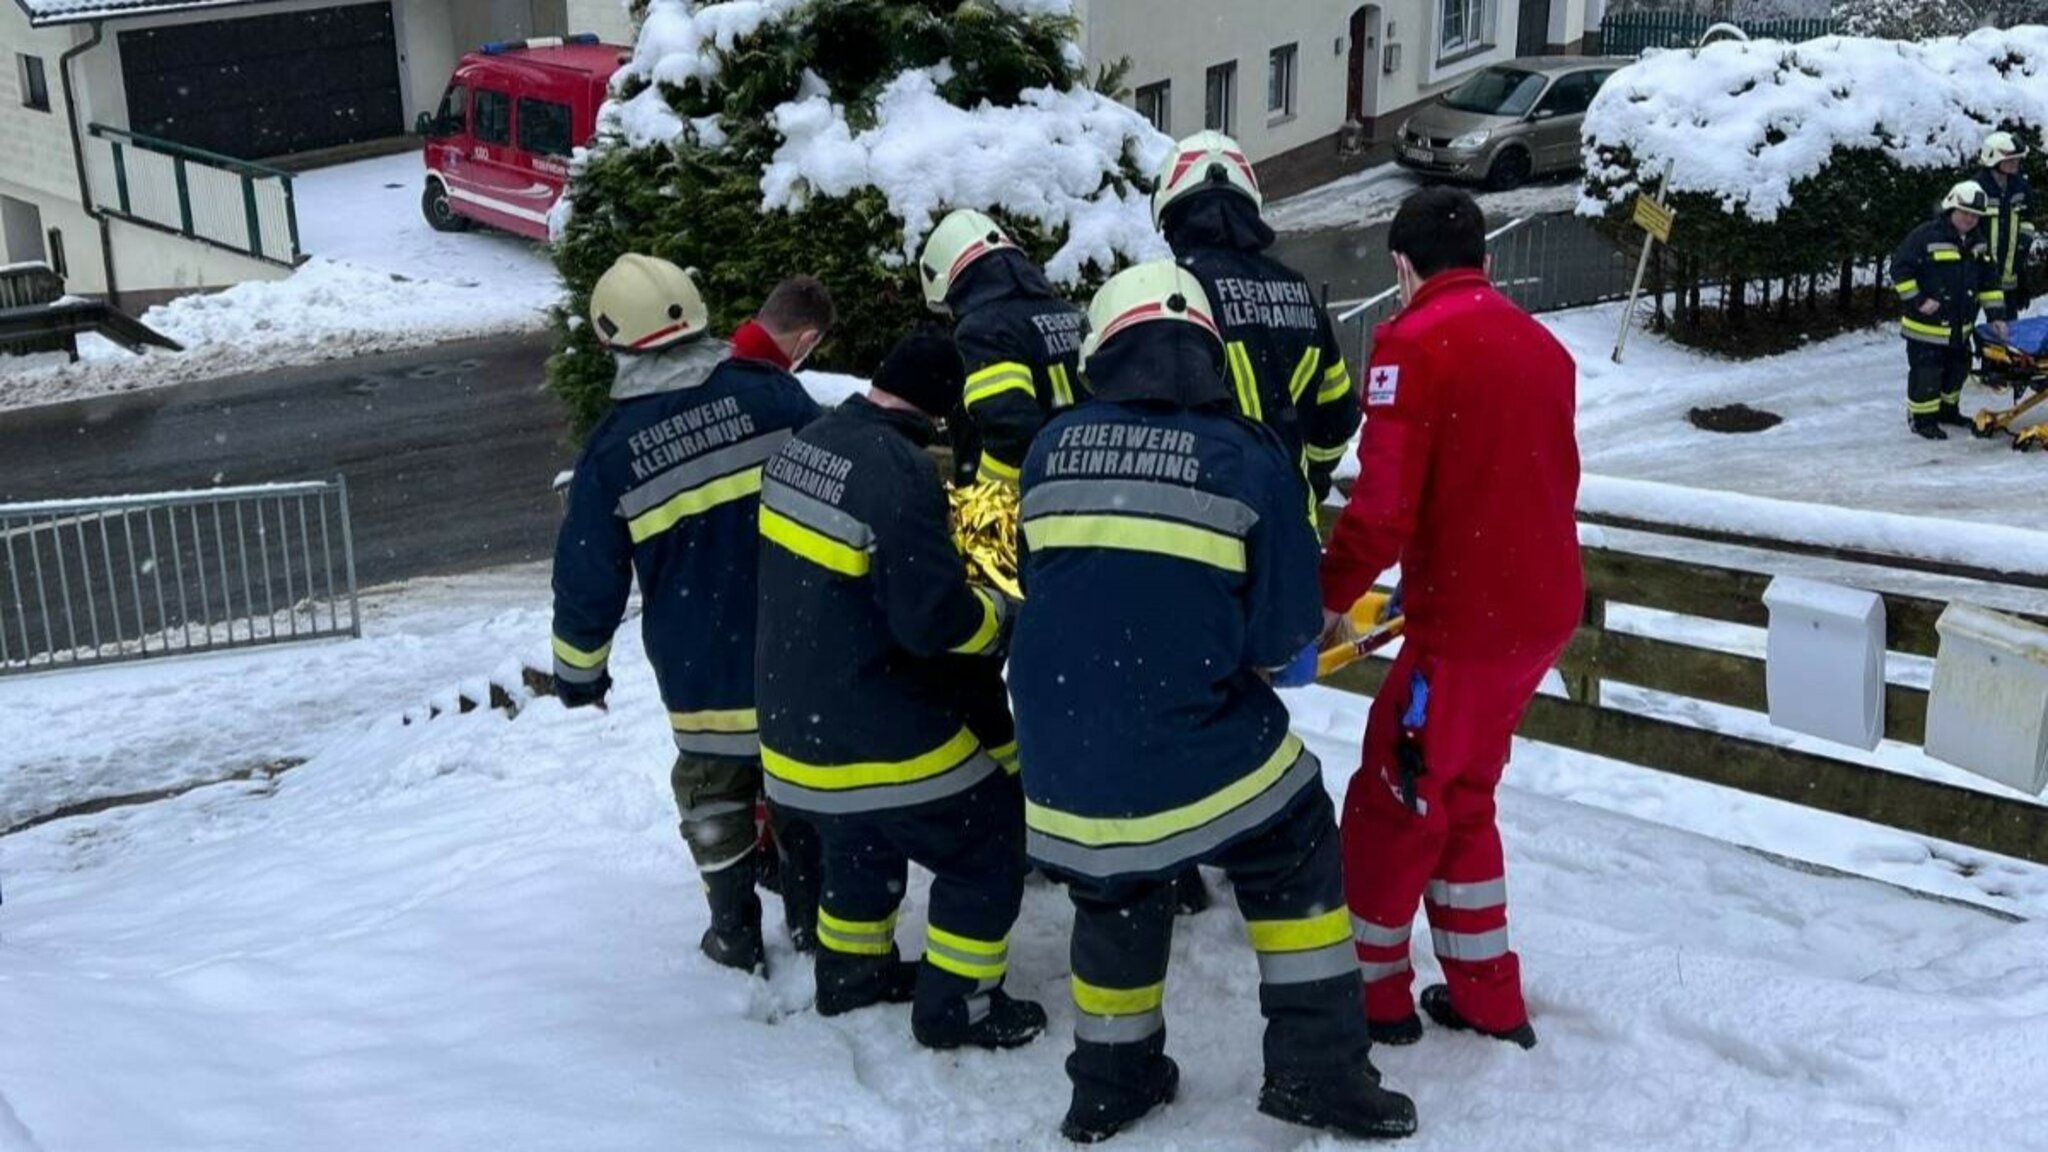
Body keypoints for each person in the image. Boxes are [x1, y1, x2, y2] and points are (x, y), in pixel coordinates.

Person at [1012, 261, 1418, 1145]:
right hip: (1182, 745)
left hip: (1055, 767)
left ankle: (1111, 1082)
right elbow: (1280, 642)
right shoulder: (1248, 458)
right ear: (1208, 354)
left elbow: (1066, 589)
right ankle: (1318, 1072)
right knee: (1293, 833)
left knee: (1117, 879)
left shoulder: (1049, 450)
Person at [1321, 187, 1581, 1051]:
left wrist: (1325, 596)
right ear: (1485, 261)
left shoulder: (1412, 342)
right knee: (1460, 793)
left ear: (1402, 265)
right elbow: (1524, 483)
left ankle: (1374, 999)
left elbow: (1383, 506)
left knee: (1394, 799)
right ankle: (1488, 999)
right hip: (1536, 612)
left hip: (1467, 625)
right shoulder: (1544, 348)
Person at [754, 329, 1047, 1052]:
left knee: (859, 836)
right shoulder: (897, 470)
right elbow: (933, 622)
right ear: (942, 412)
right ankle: (959, 1006)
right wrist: (1001, 620)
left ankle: (852, 974)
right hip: (869, 732)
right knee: (987, 836)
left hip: (793, 741)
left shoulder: (807, 444)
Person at [551, 259, 836, 972]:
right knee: (801, 788)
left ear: (612, 343)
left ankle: (733, 929)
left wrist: (579, 675)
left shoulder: (611, 455)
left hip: (701, 664)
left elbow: (587, 579)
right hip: (799, 648)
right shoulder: (775, 396)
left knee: (713, 792)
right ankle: (814, 917)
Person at [1154, 130, 1361, 504]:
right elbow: (1337, 415)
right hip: (1288, 519)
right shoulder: (1297, 290)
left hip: (1204, 516)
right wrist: (1305, 473)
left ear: (1172, 218)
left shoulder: (1174, 293)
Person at [918, 209, 1087, 486]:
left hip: (1033, 503)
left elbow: (1012, 434)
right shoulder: (1069, 313)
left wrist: (982, 503)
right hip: (1085, 488)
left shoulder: (983, 331)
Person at [1892, 181, 2009, 440]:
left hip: (1959, 327)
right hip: (1926, 328)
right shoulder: (1925, 236)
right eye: (1965, 212)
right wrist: (1919, 300)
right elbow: (1900, 270)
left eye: (1975, 215)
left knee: (1957, 371)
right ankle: (1922, 419)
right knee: (1927, 374)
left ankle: (1947, 411)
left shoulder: (1978, 242)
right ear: (1951, 208)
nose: (1970, 219)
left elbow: (1989, 283)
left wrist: (1997, 317)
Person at [1974, 132, 2036, 315]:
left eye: (2017, 159)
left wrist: (2023, 245)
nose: (2015, 163)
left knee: (2007, 332)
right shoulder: (1976, 187)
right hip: (1978, 275)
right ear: (1993, 159)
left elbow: (2027, 219)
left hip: (2009, 276)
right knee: (1962, 326)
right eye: (2010, 159)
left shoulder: (2021, 187)